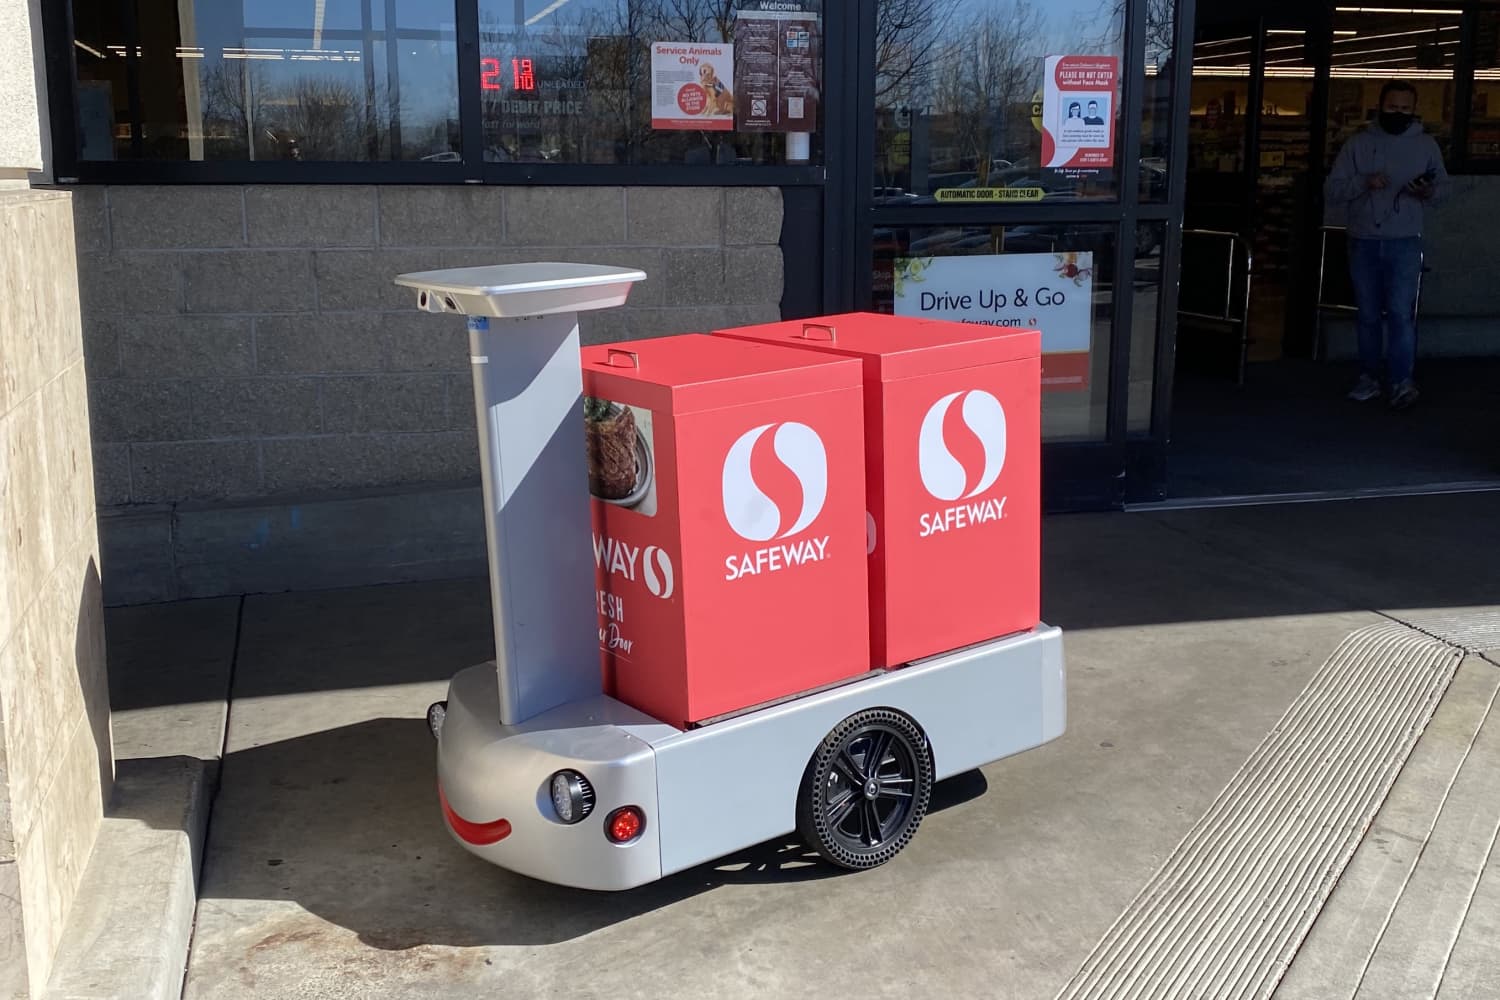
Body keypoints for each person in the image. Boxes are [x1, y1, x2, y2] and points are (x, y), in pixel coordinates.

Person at [1324, 80, 1450, 410]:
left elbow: (1443, 191)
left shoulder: (1426, 146)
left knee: (1400, 314)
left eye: (1405, 109)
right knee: (1367, 314)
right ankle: (1368, 377)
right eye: (1393, 107)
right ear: (1380, 106)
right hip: (1363, 239)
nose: (1399, 113)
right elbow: (1332, 190)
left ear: (1414, 110)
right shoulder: (1357, 144)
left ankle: (1401, 381)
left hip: (1405, 241)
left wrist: (1427, 192)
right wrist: (1363, 182)